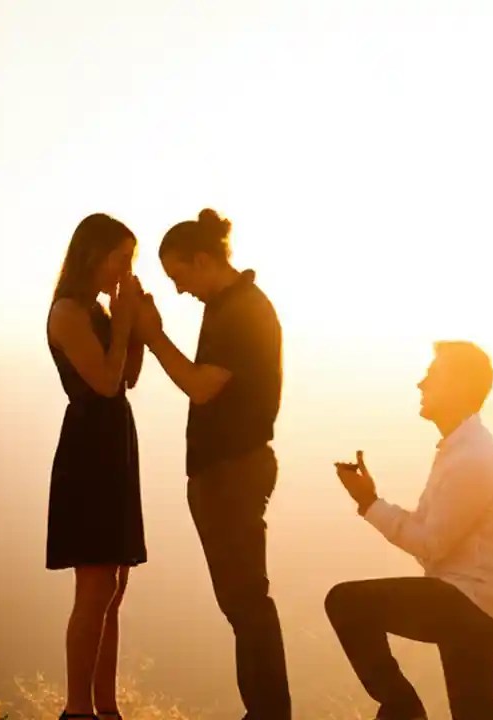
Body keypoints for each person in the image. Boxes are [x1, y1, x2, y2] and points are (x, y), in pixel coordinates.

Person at [135, 208, 291, 720]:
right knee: (242, 603)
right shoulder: (229, 304)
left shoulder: (241, 309)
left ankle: (268, 713)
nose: (180, 290)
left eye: (179, 276)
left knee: (246, 602)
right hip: (226, 470)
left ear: (202, 260)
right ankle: (264, 710)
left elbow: (203, 387)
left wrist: (153, 336)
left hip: (233, 470)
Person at [327, 340, 493, 720]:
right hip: (481, 604)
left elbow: (430, 544)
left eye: (433, 376)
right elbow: (428, 533)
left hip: (472, 604)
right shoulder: (460, 449)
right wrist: (371, 500)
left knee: (346, 603)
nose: (421, 384)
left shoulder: (472, 458)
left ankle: (402, 709)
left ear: (459, 387)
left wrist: (370, 505)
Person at [45, 213, 147, 720]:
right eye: (121, 258)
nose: (125, 270)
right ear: (94, 255)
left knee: (114, 587)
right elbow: (105, 383)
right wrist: (125, 318)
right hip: (88, 451)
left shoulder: (97, 311)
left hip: (112, 445)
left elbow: (127, 374)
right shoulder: (67, 312)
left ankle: (106, 708)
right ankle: (78, 709)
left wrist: (139, 327)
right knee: (95, 587)